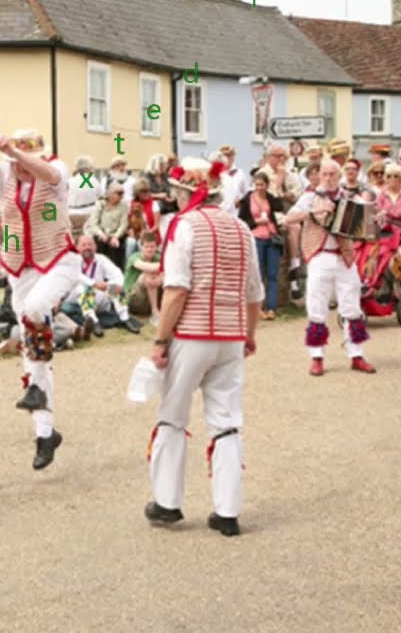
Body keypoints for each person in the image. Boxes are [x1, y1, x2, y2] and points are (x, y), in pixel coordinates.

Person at [0, 105, 78, 472]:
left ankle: (39, 392)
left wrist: (15, 152)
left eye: (24, 162)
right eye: (15, 164)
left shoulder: (56, 170)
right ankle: (45, 433)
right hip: (19, 264)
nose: (19, 169)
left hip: (57, 256)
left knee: (35, 310)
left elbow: (48, 172)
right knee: (30, 340)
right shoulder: (5, 174)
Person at [145, 156, 263, 537]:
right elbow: (254, 292)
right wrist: (249, 334)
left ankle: (167, 503)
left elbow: (176, 289)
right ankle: (226, 512)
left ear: (186, 193)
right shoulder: (242, 229)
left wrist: (161, 340)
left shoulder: (186, 226)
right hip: (229, 337)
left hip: (192, 335)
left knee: (173, 415)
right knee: (226, 422)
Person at [284, 159, 377, 376]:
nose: (328, 178)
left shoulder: (350, 198)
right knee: (316, 306)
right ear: (319, 176)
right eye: (324, 174)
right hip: (319, 255)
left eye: (332, 174)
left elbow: (369, 227)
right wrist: (312, 213)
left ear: (339, 176)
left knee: (352, 307)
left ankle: (356, 354)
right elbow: (289, 219)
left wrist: (372, 219)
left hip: (344, 257)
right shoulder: (310, 197)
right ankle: (316, 357)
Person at [61, 234, 141, 337]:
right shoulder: (72, 261)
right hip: (76, 300)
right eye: (83, 245)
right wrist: (94, 284)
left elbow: (117, 273)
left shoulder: (101, 259)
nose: (87, 247)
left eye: (90, 244)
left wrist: (114, 285)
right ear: (77, 247)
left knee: (116, 288)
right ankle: (94, 322)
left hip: (97, 297)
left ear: (95, 247)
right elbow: (77, 276)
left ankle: (125, 318)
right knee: (84, 288)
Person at [239, 171, 285, 320]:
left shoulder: (270, 198)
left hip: (271, 237)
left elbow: (280, 207)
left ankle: (271, 307)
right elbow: (242, 220)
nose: (259, 187)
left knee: (272, 274)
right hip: (256, 237)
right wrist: (256, 222)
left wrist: (277, 189)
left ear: (266, 185)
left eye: (262, 185)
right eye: (257, 184)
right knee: (257, 274)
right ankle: (257, 307)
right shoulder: (247, 199)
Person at [87, 181, 129, 270]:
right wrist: (100, 233)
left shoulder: (124, 205)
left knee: (115, 247)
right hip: (101, 234)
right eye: (119, 193)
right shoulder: (100, 203)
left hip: (117, 235)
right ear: (110, 194)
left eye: (123, 193)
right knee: (100, 245)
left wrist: (116, 236)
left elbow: (123, 224)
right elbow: (93, 222)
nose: (122, 196)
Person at [124, 230, 163, 323]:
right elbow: (144, 266)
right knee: (149, 274)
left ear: (156, 247)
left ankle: (165, 310)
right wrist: (164, 266)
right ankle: (155, 313)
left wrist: (161, 278)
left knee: (168, 277)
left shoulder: (158, 257)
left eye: (152, 246)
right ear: (141, 247)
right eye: (146, 247)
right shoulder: (134, 257)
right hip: (134, 300)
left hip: (152, 298)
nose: (149, 249)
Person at [376, 163, 401, 238]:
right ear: (385, 179)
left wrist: (388, 212)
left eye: (396, 176)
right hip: (386, 233)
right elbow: (378, 210)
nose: (392, 178)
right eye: (389, 176)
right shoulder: (382, 194)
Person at [67, 156, 102, 236]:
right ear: (88, 167)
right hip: (89, 214)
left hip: (72, 214)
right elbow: (100, 196)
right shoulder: (93, 180)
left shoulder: (70, 180)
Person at [214, 146, 249, 213]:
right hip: (220, 210)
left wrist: (240, 204)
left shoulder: (240, 173)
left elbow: (246, 193)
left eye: (229, 155)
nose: (227, 158)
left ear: (233, 157)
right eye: (224, 156)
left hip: (235, 212)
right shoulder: (217, 173)